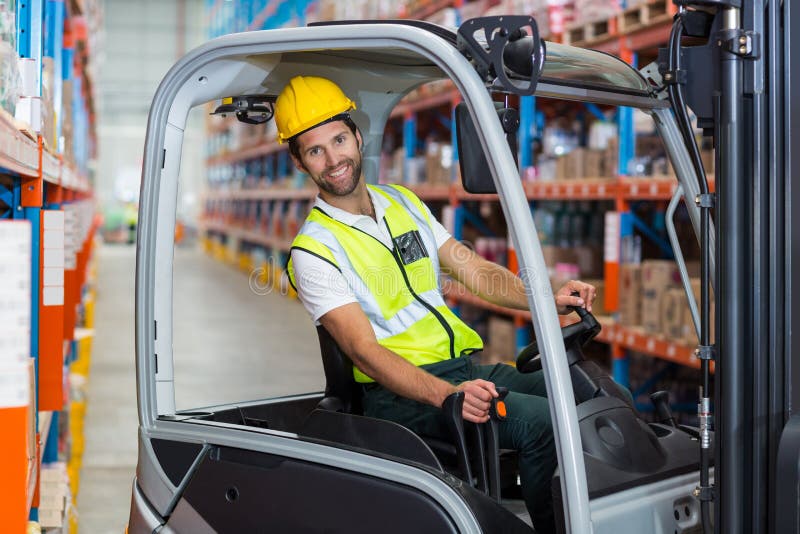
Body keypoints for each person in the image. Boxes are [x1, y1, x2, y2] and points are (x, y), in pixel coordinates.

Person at [277, 76, 596, 533]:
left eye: (339, 139)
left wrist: (547, 297)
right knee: (544, 424)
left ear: (357, 136)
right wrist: (447, 397)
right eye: (315, 151)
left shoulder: (401, 202)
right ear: (299, 161)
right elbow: (365, 352)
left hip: (463, 369)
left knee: (586, 395)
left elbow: (474, 270)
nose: (334, 160)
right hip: (402, 396)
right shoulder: (314, 250)